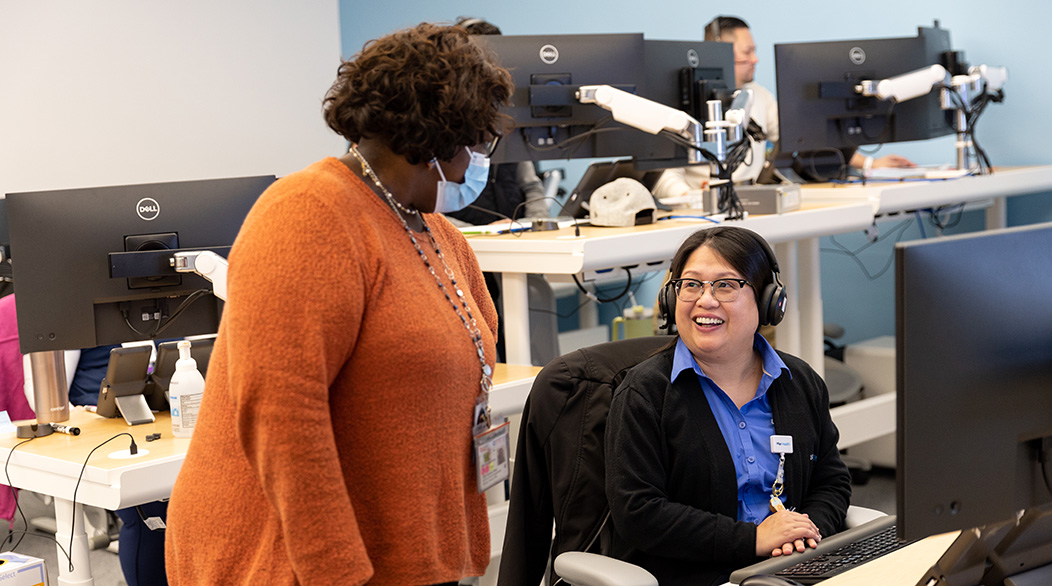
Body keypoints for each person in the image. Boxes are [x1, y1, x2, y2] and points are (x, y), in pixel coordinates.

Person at [164, 22, 512, 586]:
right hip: (291, 559)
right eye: (475, 143)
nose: (477, 161)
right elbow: (282, 414)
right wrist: (334, 571)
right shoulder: (308, 211)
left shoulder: (438, 233)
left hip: (401, 551)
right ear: (432, 138)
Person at [604, 226, 852, 585]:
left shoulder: (798, 381)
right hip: (696, 574)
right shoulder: (645, 394)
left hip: (796, 566)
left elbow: (830, 481)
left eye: (725, 285)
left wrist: (805, 532)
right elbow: (639, 513)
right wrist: (753, 540)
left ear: (768, 300)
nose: (706, 300)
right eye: (691, 285)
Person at [652, 16, 915, 200]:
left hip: (754, 200)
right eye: (747, 52)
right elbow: (663, 175)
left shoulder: (759, 96)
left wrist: (869, 163)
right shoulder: (682, 105)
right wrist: (691, 197)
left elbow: (801, 137)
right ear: (719, 51)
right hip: (700, 208)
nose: (755, 59)